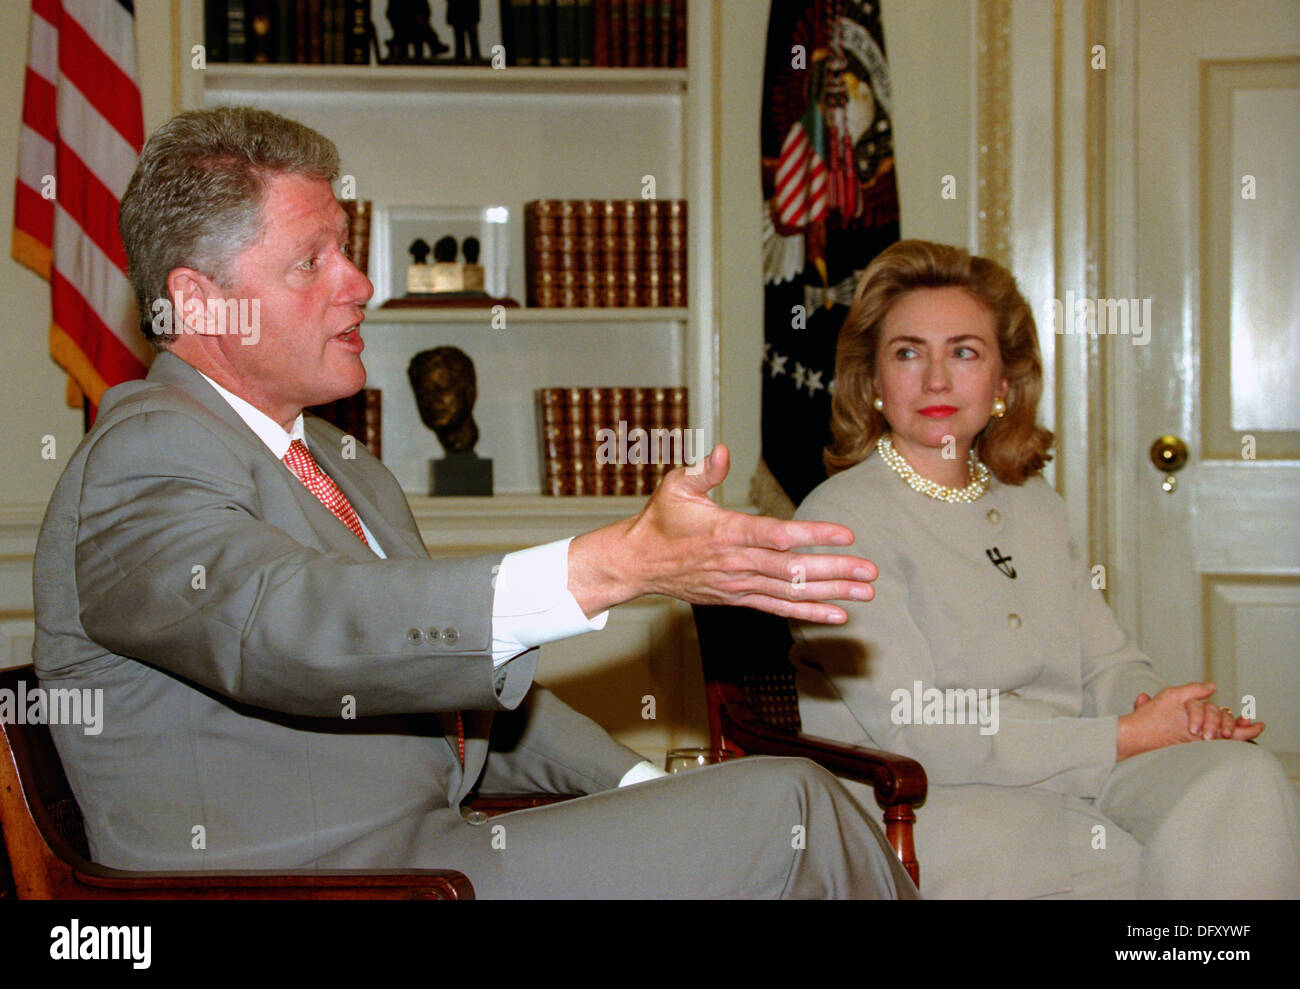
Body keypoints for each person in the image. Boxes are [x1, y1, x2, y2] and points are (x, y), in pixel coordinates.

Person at [30, 105, 917, 900]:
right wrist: (613, 564)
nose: (359, 282)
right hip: (313, 888)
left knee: (778, 804)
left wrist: (640, 787)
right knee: (789, 804)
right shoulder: (142, 454)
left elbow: (453, 694)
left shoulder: (341, 461)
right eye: (312, 261)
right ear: (199, 302)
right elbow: (280, 621)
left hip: (436, 856)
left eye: (346, 246)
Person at [791, 239, 1300, 898]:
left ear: (1004, 385)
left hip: (1078, 766)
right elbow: (916, 727)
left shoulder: (1034, 504)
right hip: (925, 797)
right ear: (873, 384)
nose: (937, 380)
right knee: (1144, 865)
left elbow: (1108, 662)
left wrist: (1165, 715)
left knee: (1238, 779)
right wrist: (1121, 736)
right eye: (909, 352)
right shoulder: (835, 520)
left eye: (964, 352)